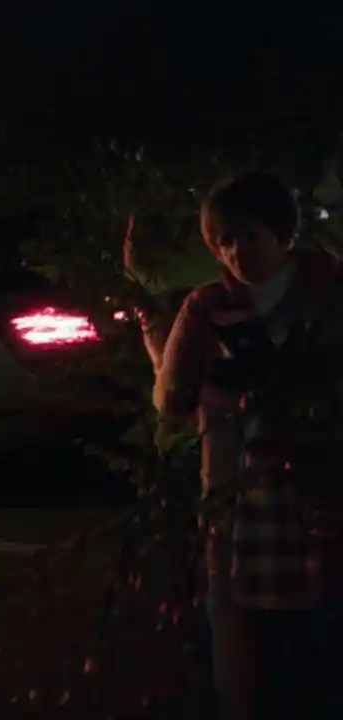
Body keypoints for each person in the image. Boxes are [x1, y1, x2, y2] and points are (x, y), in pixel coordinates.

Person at [150, 171, 341, 720]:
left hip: (324, 485)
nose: (236, 252)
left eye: (248, 235)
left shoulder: (331, 293)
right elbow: (171, 401)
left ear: (282, 233)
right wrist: (215, 383)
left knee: (325, 625)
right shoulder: (206, 308)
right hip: (243, 497)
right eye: (223, 241)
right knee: (253, 632)